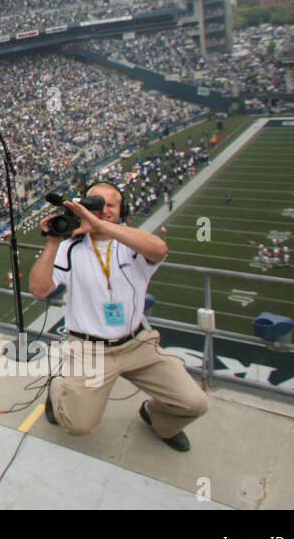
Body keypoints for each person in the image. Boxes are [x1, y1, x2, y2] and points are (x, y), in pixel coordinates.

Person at [28, 182, 206, 452]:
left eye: (110, 205)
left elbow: (159, 249)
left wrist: (102, 228)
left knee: (194, 403)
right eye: (96, 204)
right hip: (90, 348)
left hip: (137, 343)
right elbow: (40, 290)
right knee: (78, 426)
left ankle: (157, 418)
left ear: (122, 210)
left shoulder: (131, 243)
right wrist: (53, 241)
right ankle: (57, 389)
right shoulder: (70, 249)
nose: (104, 210)